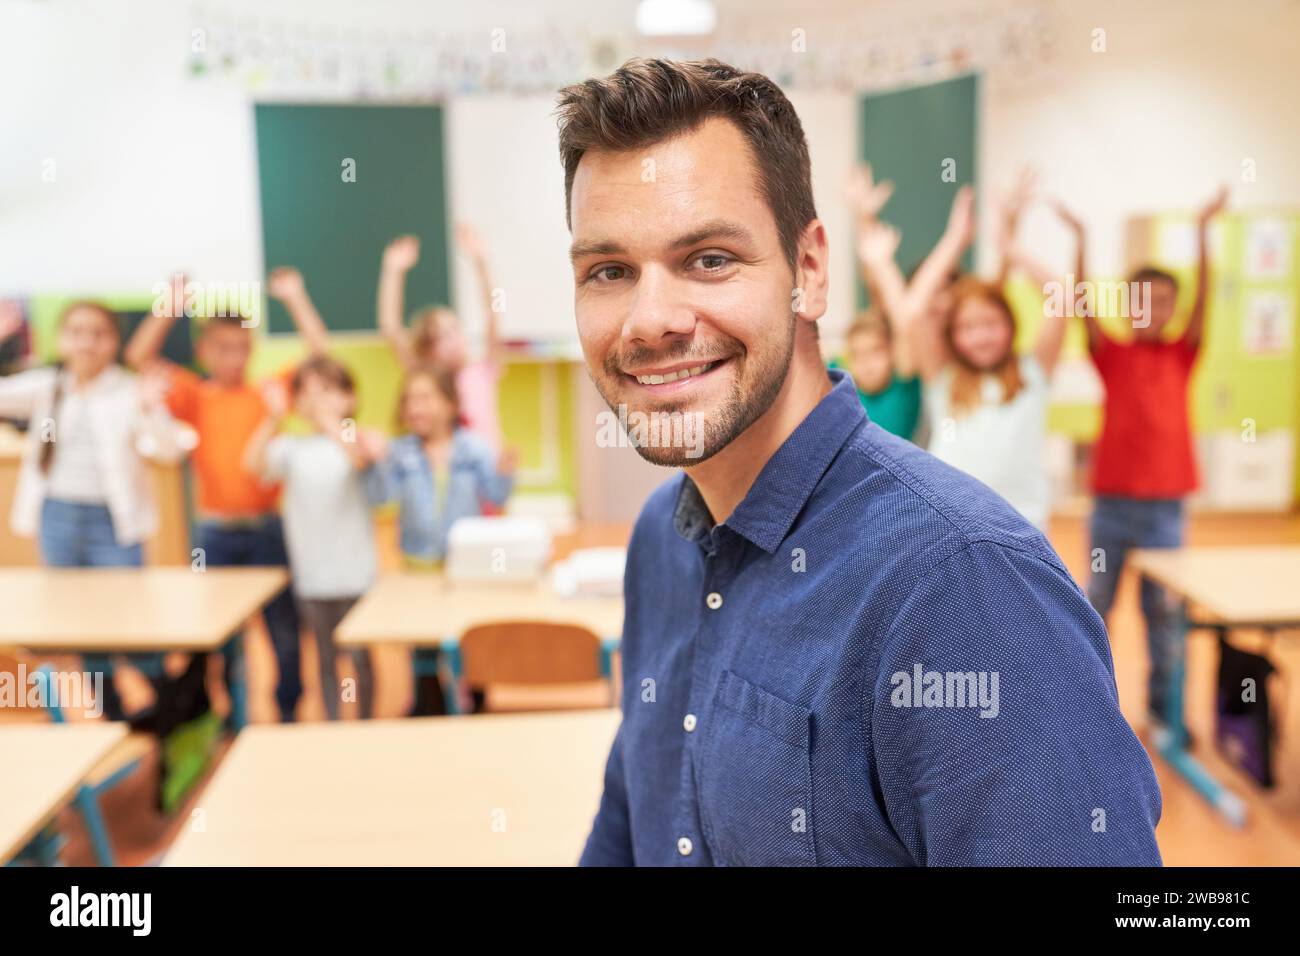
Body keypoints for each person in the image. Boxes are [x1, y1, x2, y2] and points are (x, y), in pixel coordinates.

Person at [560, 57, 1161, 866]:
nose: (649, 320)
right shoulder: (657, 542)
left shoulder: (965, 587)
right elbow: (631, 823)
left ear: (809, 271)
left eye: (709, 259)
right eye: (609, 271)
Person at [123, 271, 324, 722]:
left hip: (267, 530)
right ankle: (231, 715)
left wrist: (295, 296)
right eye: (223, 348)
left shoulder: (266, 392)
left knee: (286, 633)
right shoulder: (195, 396)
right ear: (203, 352)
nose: (235, 358)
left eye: (243, 348)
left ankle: (288, 709)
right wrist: (170, 304)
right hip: (214, 534)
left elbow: (319, 352)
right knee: (219, 633)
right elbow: (138, 356)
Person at [1079, 187, 1229, 727]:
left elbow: (1205, 299)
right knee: (1096, 605)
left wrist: (1203, 233)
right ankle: (1089, 710)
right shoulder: (1111, 353)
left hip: (1166, 508)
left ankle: (1165, 715)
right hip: (1111, 507)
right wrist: (1080, 240)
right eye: (1141, 300)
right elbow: (1082, 304)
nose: (1152, 310)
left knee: (1163, 613)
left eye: (1163, 301)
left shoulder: (1181, 353)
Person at [0, 301, 193, 720]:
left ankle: (168, 705)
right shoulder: (48, 387)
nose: (86, 343)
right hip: (57, 518)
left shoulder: (128, 390)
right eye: (76, 332)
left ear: (113, 341)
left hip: (112, 523)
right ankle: (112, 710)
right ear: (62, 339)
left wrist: (149, 407)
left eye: (98, 333)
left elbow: (170, 450)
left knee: (130, 619)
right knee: (79, 622)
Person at [243, 356, 384, 721]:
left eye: (326, 390)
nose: (316, 399)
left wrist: (329, 421)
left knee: (360, 658)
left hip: (357, 575)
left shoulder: (358, 437)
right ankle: (332, 723)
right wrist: (273, 417)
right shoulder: (293, 448)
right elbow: (252, 463)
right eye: (306, 392)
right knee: (323, 657)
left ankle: (366, 721)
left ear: (349, 397)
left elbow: (361, 458)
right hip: (312, 577)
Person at [369, 366, 516, 714]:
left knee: (467, 638)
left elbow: (495, 496)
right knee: (422, 644)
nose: (416, 408)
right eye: (409, 400)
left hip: (464, 568)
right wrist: (374, 464)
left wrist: (506, 473)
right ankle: (429, 704)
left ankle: (476, 702)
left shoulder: (473, 448)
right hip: (416, 567)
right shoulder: (400, 452)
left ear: (450, 404)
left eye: (425, 398)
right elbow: (381, 499)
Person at [376, 225, 504, 450]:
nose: (455, 339)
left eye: (456, 329)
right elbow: (390, 327)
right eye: (443, 336)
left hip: (487, 478)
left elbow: (493, 315)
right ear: (427, 350)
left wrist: (481, 263)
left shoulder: (481, 370)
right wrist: (392, 272)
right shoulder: (424, 378)